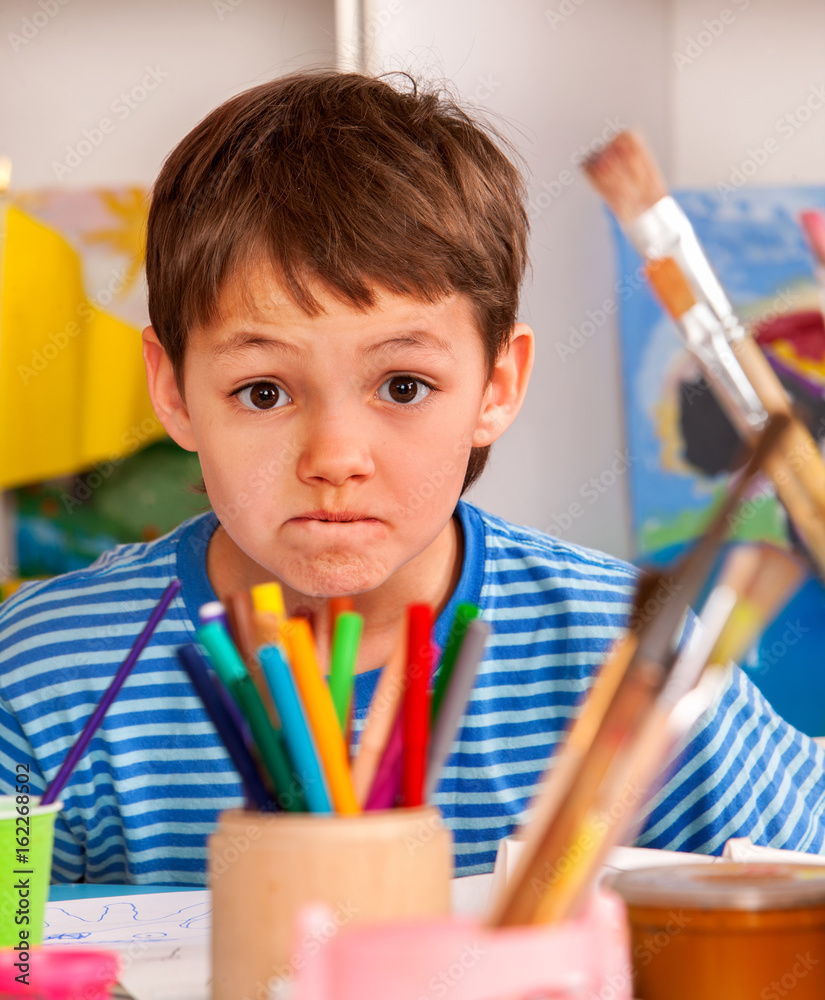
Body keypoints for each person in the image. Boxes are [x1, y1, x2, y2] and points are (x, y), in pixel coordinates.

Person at [1, 71, 823, 886]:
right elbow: (18, 940)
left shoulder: (626, 654)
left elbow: (801, 879)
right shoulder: (42, 674)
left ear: (496, 385)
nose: (334, 457)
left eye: (402, 386)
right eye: (263, 392)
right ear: (174, 391)